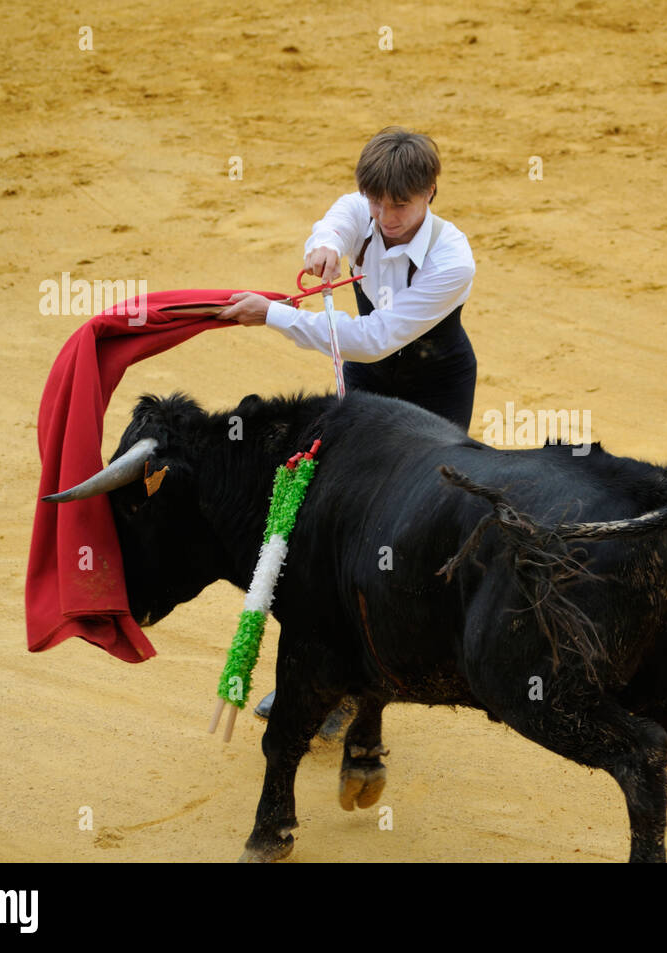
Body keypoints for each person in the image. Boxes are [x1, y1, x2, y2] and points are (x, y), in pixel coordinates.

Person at [217, 127, 479, 720]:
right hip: (367, 387)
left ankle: (402, 668)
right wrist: (326, 245)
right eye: (377, 203)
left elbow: (375, 339)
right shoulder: (366, 209)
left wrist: (275, 317)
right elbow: (338, 218)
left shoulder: (453, 259)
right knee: (331, 525)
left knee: (409, 530)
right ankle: (322, 681)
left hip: (432, 396)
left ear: (431, 192)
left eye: (401, 205)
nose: (386, 217)